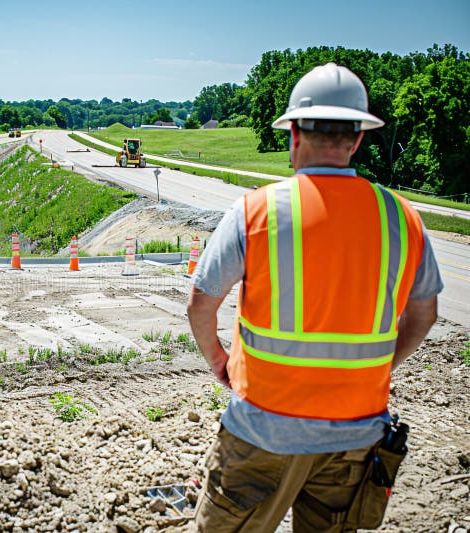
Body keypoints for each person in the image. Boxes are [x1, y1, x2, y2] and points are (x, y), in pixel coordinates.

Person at [186, 63, 443, 532]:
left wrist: (218, 360)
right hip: (356, 437)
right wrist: (379, 366)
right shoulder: (403, 219)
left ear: (295, 134)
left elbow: (201, 302)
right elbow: (425, 315)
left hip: (263, 430)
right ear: (358, 139)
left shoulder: (255, 210)